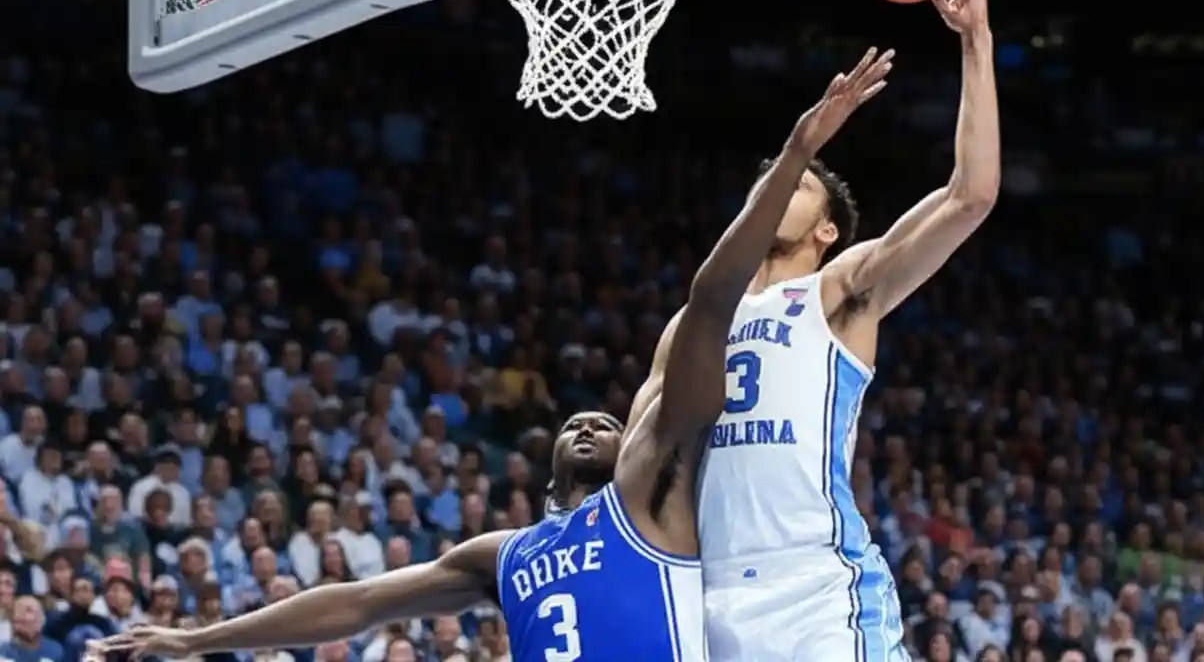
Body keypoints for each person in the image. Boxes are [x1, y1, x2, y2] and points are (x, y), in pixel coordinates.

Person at [90, 53, 894, 662]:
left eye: (609, 423)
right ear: (544, 470)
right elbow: (357, 601)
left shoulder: (651, 495)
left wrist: (794, 154)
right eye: (578, 422)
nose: (590, 422)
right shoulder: (506, 556)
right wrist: (195, 642)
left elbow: (712, 306)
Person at [630, 0, 998, 660]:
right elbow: (642, 464)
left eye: (796, 186)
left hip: (816, 590)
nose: (776, 190)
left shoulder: (838, 291)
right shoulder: (691, 326)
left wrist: (976, 38)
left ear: (828, 230)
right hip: (710, 597)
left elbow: (971, 195)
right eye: (766, 184)